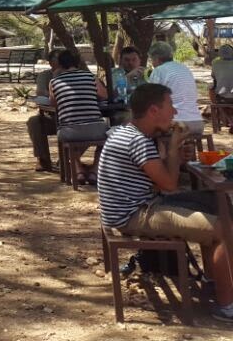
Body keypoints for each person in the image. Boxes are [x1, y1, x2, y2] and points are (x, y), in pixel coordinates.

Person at [97, 83, 233, 324]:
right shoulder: (138, 141)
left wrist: (176, 156)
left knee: (215, 201)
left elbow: (160, 179)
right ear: (153, 111)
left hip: (136, 205)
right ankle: (226, 306)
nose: (174, 113)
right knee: (221, 228)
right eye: (170, 106)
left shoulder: (126, 132)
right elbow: (168, 185)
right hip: (133, 214)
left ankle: (215, 280)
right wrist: (172, 148)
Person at [47, 50, 109, 184]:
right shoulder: (90, 77)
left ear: (59, 64)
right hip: (96, 128)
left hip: (69, 131)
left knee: (68, 138)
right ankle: (94, 171)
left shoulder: (54, 82)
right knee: (108, 134)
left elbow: (53, 103)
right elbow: (104, 95)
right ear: (77, 62)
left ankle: (79, 171)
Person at [146, 41, 204, 136]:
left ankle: (163, 150)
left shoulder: (158, 71)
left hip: (178, 124)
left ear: (156, 58)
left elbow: (151, 100)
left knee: (147, 131)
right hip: (197, 121)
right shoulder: (184, 68)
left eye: (152, 60)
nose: (152, 63)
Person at [26, 49, 64, 172]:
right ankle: (43, 159)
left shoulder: (70, 74)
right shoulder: (45, 76)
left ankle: (66, 160)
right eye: (56, 60)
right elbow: (41, 92)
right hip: (51, 117)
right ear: (50, 62)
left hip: (69, 118)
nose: (60, 63)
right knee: (34, 122)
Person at [211, 45, 233, 133]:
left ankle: (230, 121)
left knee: (218, 94)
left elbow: (214, 78)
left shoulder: (215, 63)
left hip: (222, 98)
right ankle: (231, 121)